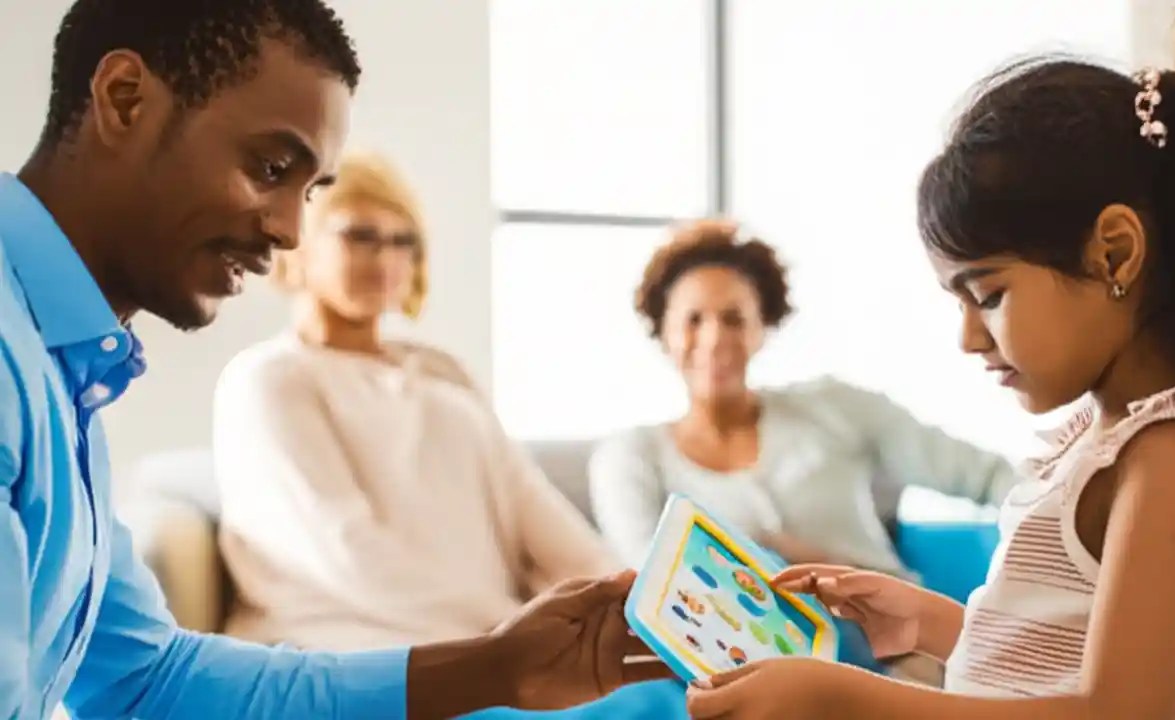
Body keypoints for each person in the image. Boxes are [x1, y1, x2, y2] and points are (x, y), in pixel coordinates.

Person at [0, 2, 663, 719]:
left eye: (309, 191)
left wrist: (499, 669)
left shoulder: (64, 374)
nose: (289, 230)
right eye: (269, 167)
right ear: (125, 99)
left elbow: (148, 683)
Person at [685, 19, 1175, 720]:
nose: (969, 337)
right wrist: (929, 623)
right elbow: (1063, 663)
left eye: (988, 295)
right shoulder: (1115, 443)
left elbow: (1119, 713)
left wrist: (852, 701)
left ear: (1115, 253)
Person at [213, 152, 620, 651]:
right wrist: (511, 634)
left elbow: (534, 509)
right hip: (360, 654)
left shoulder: (440, 370)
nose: (384, 259)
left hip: (490, 645)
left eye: (402, 241)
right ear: (302, 244)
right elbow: (347, 552)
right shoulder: (269, 379)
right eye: (359, 236)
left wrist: (631, 606)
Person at [590, 220, 1019, 575]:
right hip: (738, 667)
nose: (715, 338)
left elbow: (988, 477)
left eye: (734, 318)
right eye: (693, 319)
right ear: (663, 331)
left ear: (763, 327)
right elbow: (653, 586)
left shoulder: (836, 406)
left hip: (896, 654)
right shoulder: (630, 458)